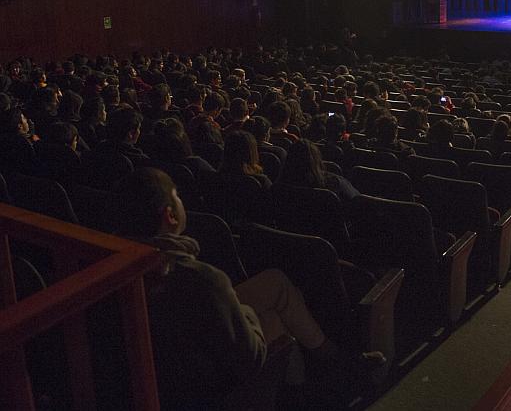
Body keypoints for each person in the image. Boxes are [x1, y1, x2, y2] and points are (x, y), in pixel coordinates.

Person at [114, 168, 379, 408]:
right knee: (275, 320)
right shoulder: (203, 279)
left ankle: (331, 363)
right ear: (170, 215)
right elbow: (251, 357)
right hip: (205, 386)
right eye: (177, 197)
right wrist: (245, 312)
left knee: (275, 281)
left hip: (162, 359)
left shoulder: (113, 258)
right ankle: (312, 388)